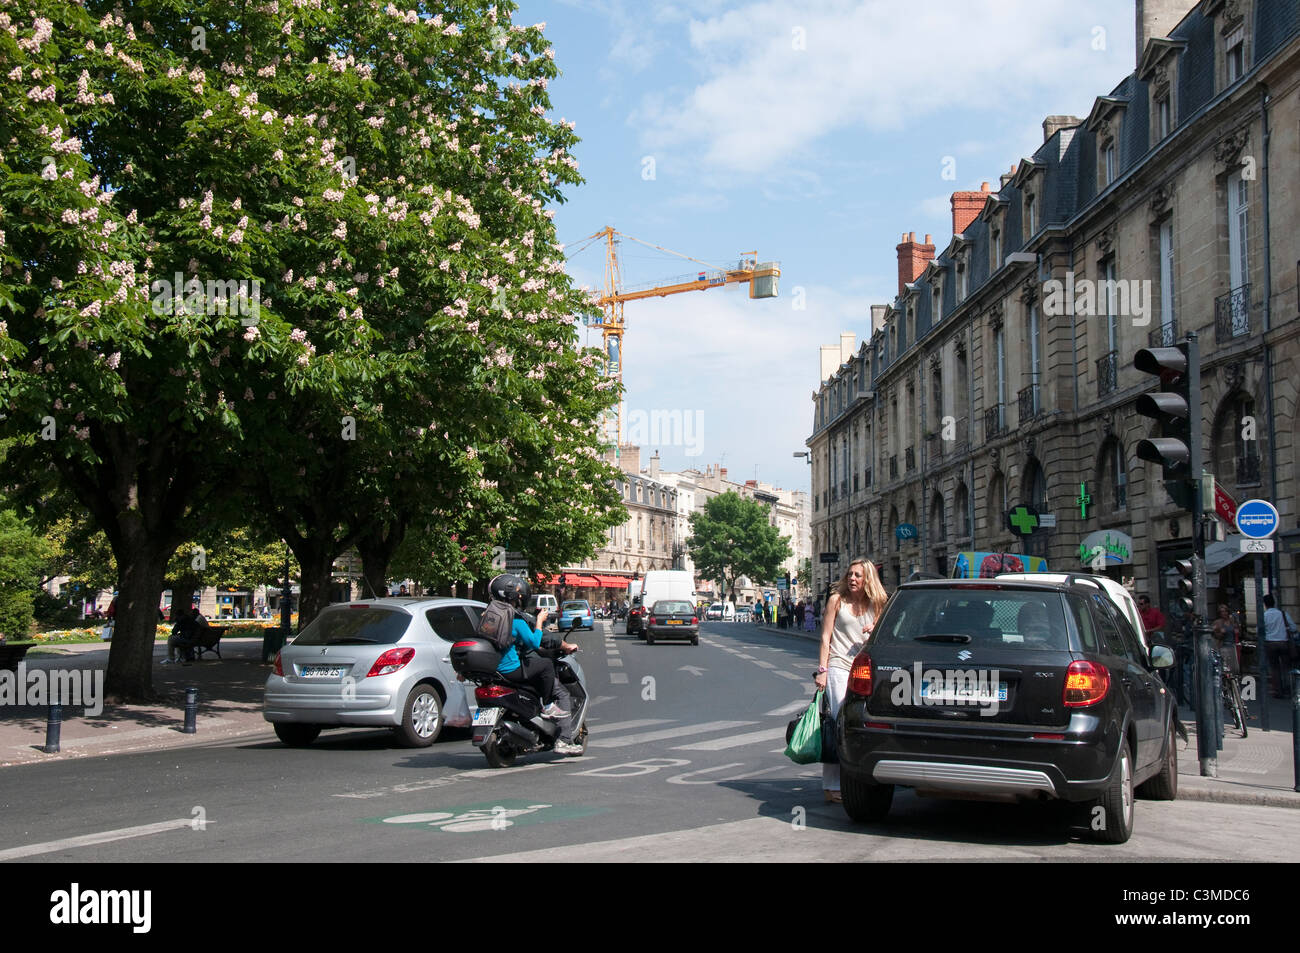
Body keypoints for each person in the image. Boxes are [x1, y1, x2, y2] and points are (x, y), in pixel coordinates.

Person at [814, 557, 888, 803]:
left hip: (864, 670)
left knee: (862, 723)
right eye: (850, 574)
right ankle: (831, 784)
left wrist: (875, 627)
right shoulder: (837, 601)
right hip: (838, 666)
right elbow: (825, 638)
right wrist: (822, 670)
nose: (853, 579)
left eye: (858, 575)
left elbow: (888, 632)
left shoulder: (878, 602)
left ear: (868, 578)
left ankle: (858, 779)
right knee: (838, 722)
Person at [488, 574, 578, 726]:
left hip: (492, 670)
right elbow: (535, 643)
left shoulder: (488, 616)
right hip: (510, 669)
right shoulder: (515, 620)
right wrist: (539, 621)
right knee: (546, 665)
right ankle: (548, 706)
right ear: (515, 598)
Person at [1262, 594, 1297, 698]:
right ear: (1274, 602)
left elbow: (1261, 630)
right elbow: (1294, 627)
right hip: (1283, 643)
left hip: (1270, 643)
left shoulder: (1264, 616)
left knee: (1274, 668)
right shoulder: (1282, 614)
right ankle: (1288, 688)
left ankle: (1278, 690)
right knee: (1286, 667)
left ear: (1265, 604)